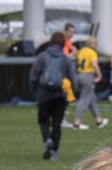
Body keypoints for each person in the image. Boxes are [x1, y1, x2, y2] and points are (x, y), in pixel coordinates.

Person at [29, 31, 78, 161]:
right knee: (57, 124)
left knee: (43, 121)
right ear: (63, 43)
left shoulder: (42, 57)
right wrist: (72, 92)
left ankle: (47, 140)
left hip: (44, 94)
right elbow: (73, 78)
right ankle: (54, 151)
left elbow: (33, 76)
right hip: (59, 95)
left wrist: (35, 92)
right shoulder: (65, 58)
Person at [73, 36, 108, 129]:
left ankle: (99, 121)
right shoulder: (92, 52)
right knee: (84, 100)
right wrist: (99, 75)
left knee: (91, 99)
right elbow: (94, 64)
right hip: (88, 75)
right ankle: (77, 122)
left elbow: (76, 62)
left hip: (79, 74)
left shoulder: (81, 51)